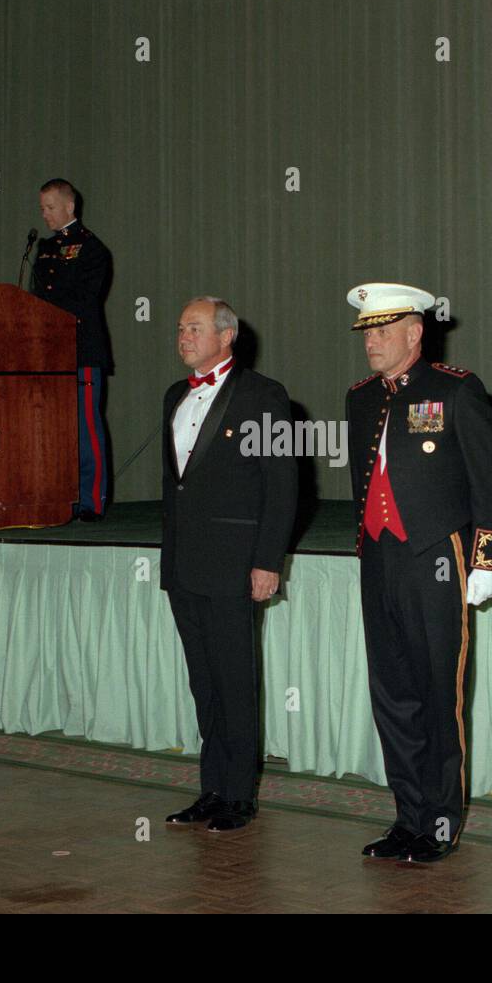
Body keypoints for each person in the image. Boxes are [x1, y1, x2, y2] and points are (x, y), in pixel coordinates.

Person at [345, 283, 492, 863]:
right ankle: (407, 817)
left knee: (436, 693)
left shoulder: (454, 390)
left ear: (415, 333)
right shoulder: (361, 397)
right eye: (366, 332)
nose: (372, 342)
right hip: (380, 557)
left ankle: (440, 821)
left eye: (383, 331)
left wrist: (488, 559)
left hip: (435, 557)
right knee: (392, 694)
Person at [160, 297, 297, 832]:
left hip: (236, 564)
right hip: (184, 565)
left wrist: (268, 562)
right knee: (204, 684)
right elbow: (175, 488)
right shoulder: (175, 395)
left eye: (193, 327)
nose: (183, 336)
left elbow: (282, 486)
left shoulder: (265, 395)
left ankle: (240, 796)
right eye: (179, 327)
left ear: (226, 336)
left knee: (237, 682)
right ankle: (211, 788)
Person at [30, 178, 113, 521]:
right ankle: (60, 496)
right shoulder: (45, 249)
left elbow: (84, 298)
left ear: (69, 207)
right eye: (42, 209)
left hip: (81, 350)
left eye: (50, 208)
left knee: (85, 427)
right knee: (55, 429)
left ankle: (91, 500)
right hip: (49, 353)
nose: (45, 215)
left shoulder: (92, 249)